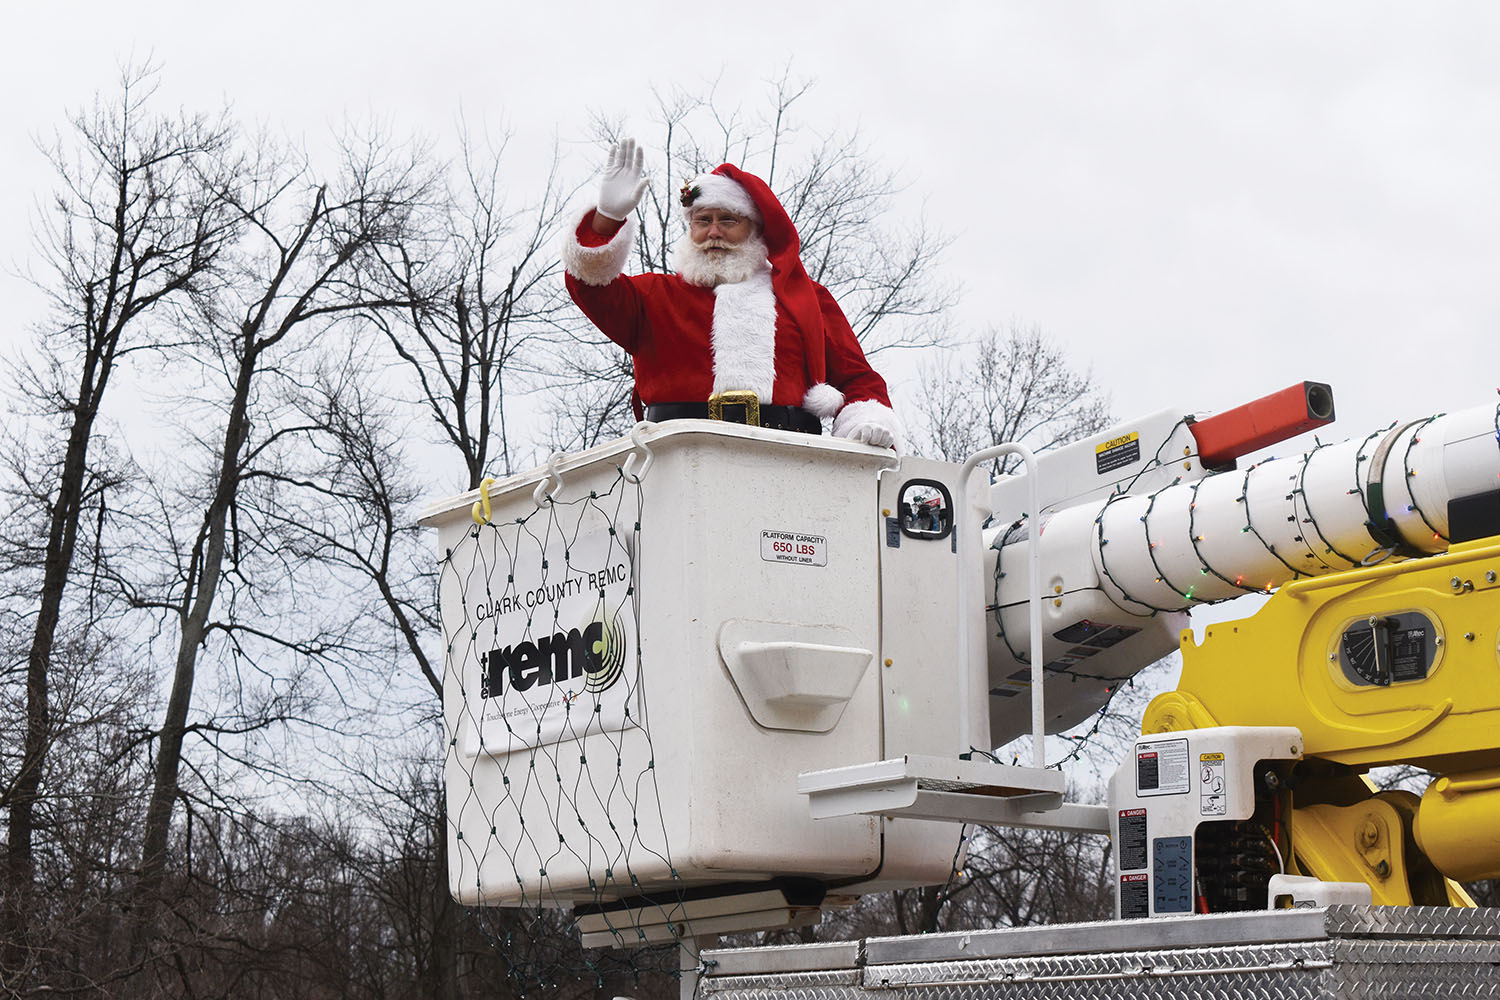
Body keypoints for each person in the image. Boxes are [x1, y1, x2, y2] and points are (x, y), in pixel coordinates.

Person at [561, 138, 905, 450]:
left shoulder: (806, 300)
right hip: (677, 460)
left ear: (753, 228)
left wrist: (865, 422)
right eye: (702, 220)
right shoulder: (654, 296)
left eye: (727, 220)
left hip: (787, 458)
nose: (713, 232)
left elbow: (858, 379)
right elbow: (590, 286)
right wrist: (606, 220)